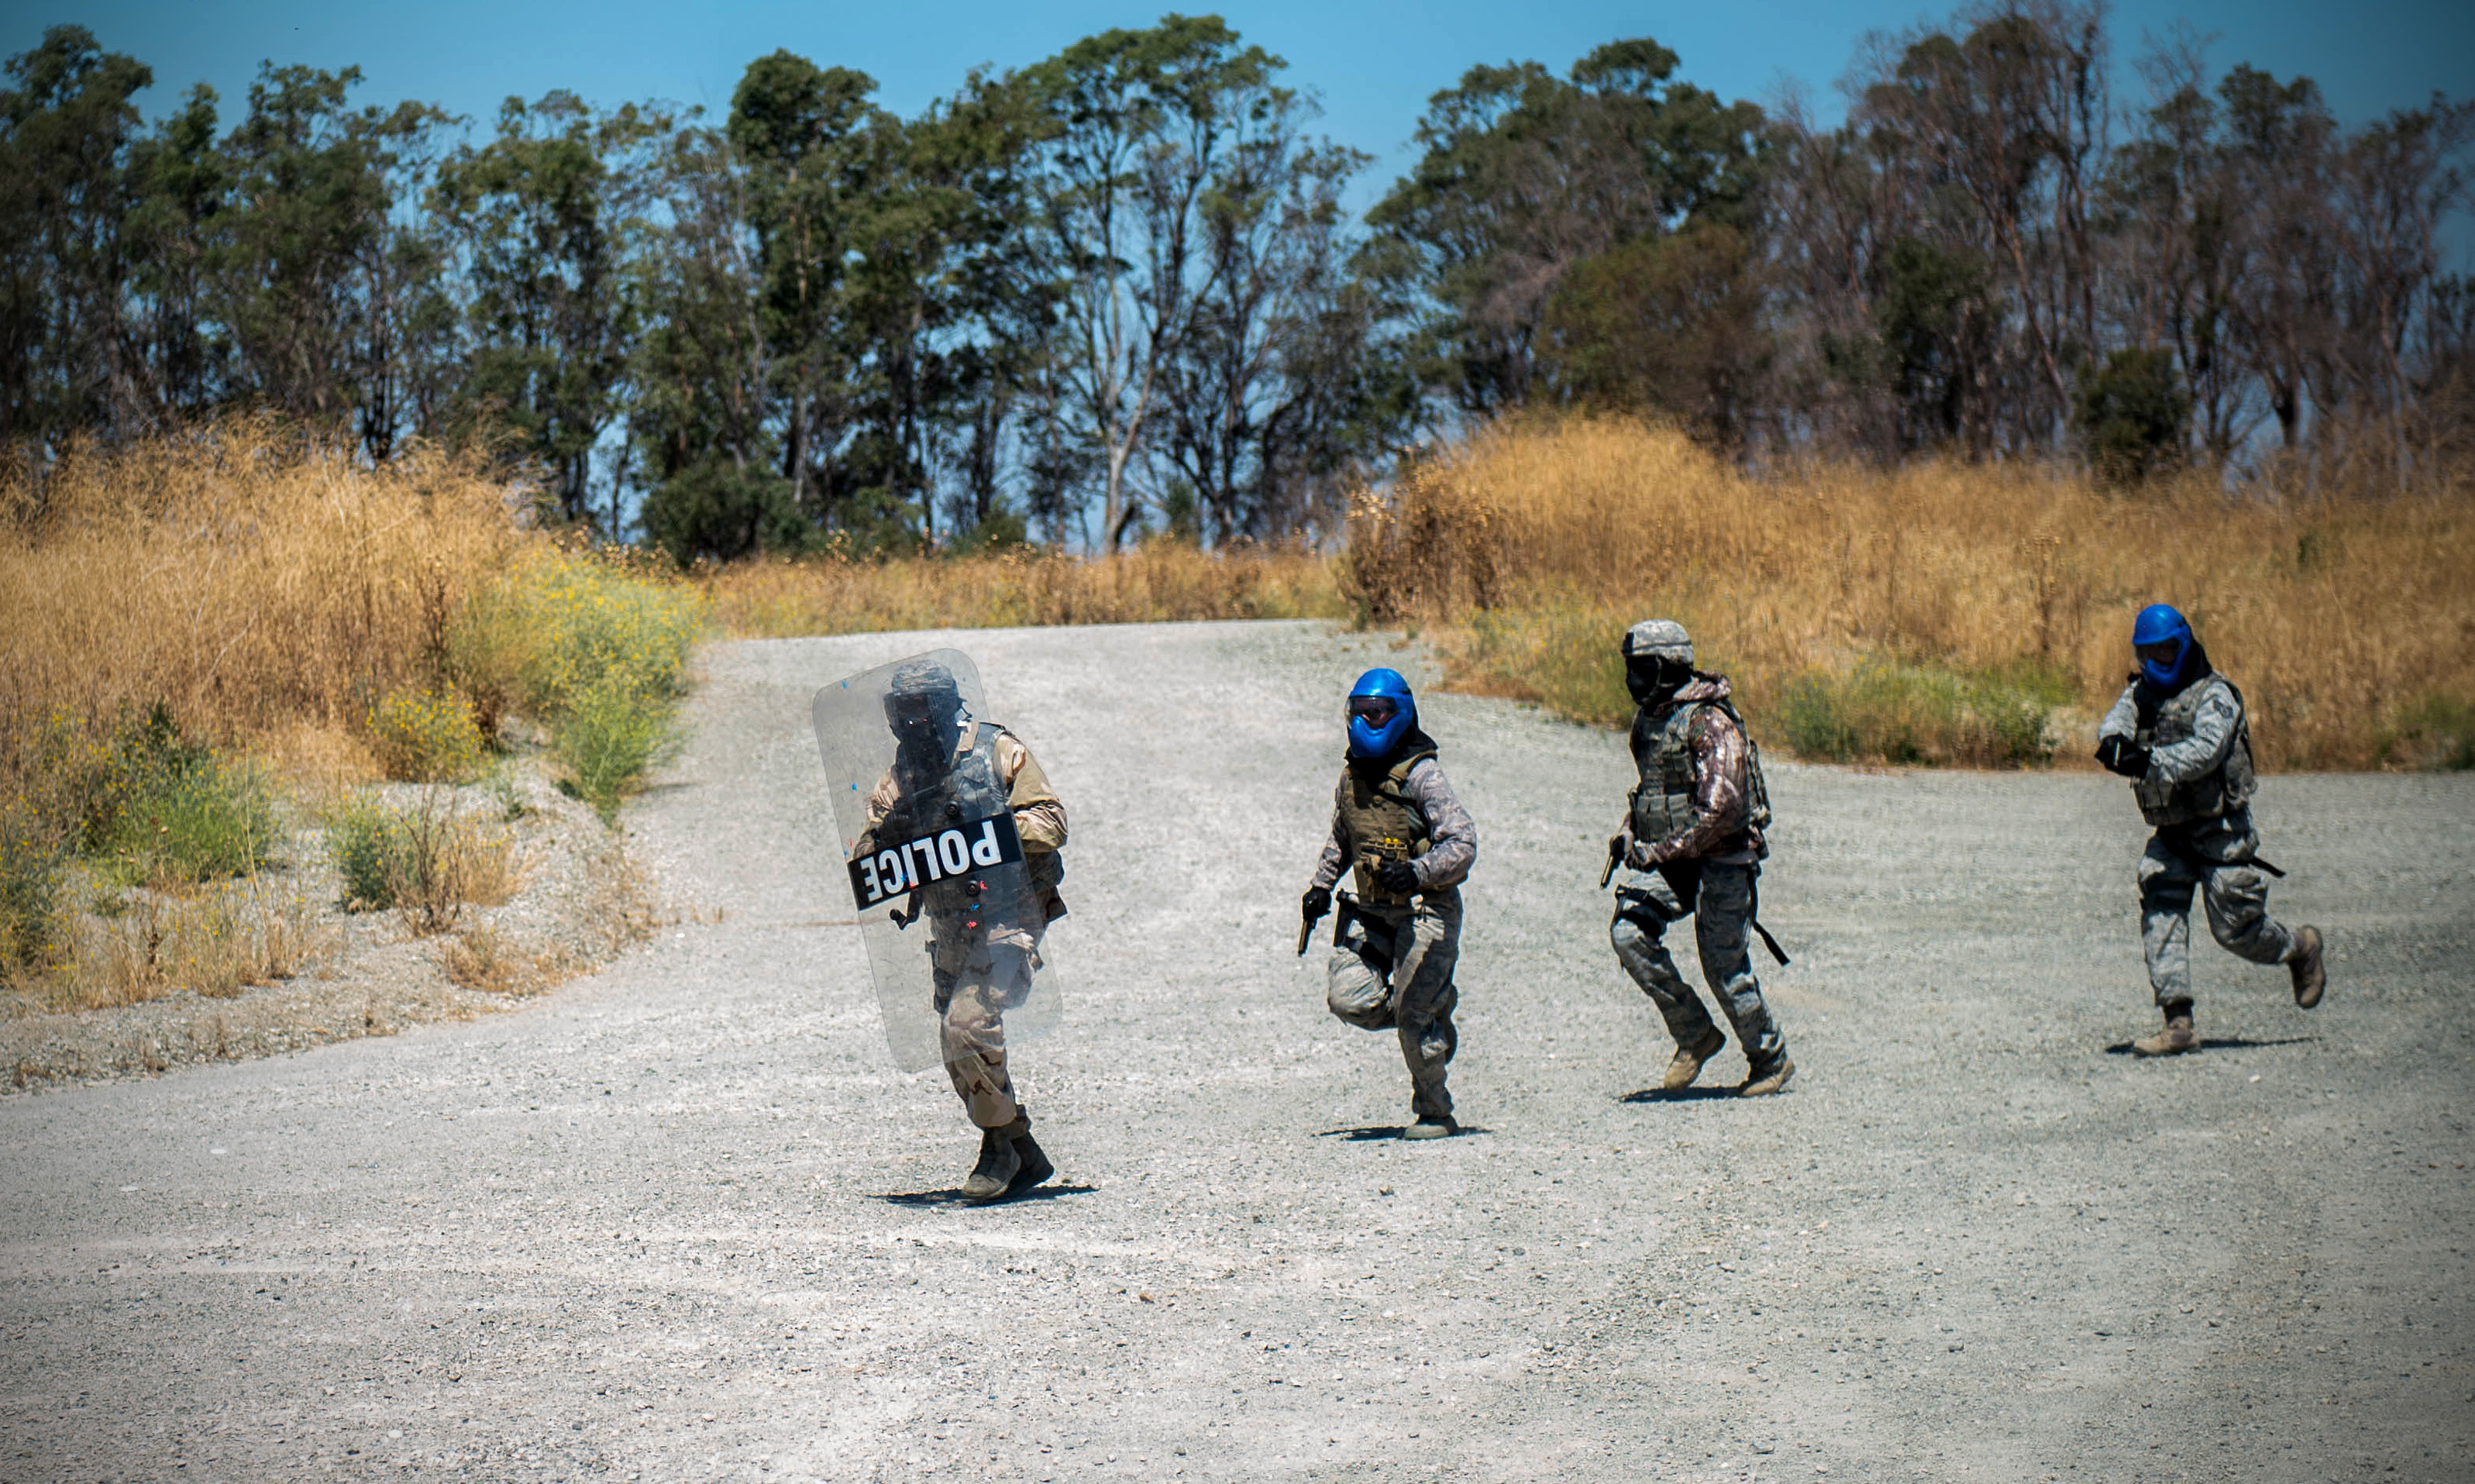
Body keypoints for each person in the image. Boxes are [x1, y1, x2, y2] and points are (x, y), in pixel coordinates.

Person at [855, 658, 1069, 1199]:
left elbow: (1051, 821)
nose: (911, 720)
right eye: (902, 709)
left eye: (920, 707)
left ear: (946, 706)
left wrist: (983, 829)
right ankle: (1021, 1147)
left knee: (967, 1026)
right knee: (958, 1044)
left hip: (1008, 911)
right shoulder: (901, 776)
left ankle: (997, 1150)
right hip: (951, 922)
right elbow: (866, 859)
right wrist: (890, 836)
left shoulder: (997, 751)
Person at [2095, 604, 2325, 1055]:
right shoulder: (2141, 692)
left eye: (2165, 651)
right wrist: (2114, 745)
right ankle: (2178, 1023)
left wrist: (2149, 762)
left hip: (2221, 832)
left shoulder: (2217, 695)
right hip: (2171, 835)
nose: (2156, 662)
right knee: (2160, 907)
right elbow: (2116, 722)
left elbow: (2206, 751)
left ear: (2183, 645)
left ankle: (2299, 947)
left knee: (2236, 930)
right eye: (2147, 653)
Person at [1606, 620, 1795, 1097]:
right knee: (1629, 934)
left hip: (1722, 861)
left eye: (1641, 670)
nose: (1632, 681)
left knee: (1723, 965)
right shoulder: (1650, 719)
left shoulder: (1711, 723)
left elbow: (1720, 813)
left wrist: (1654, 852)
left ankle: (1769, 1059)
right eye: (1629, 670)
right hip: (1674, 860)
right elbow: (1653, 792)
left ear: (1668, 668)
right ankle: (1695, 1035)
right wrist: (1630, 833)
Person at [1299, 669, 1478, 1139]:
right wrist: (1320, 887)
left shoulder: (1423, 775)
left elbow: (1462, 843)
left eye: (1377, 713)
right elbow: (1344, 836)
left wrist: (1419, 872)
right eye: (1360, 713)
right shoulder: (1352, 776)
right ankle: (1429, 1014)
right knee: (1348, 999)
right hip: (1375, 912)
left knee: (1413, 1014)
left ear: (1399, 715)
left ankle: (1435, 1111)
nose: (1367, 721)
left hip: (1426, 910)